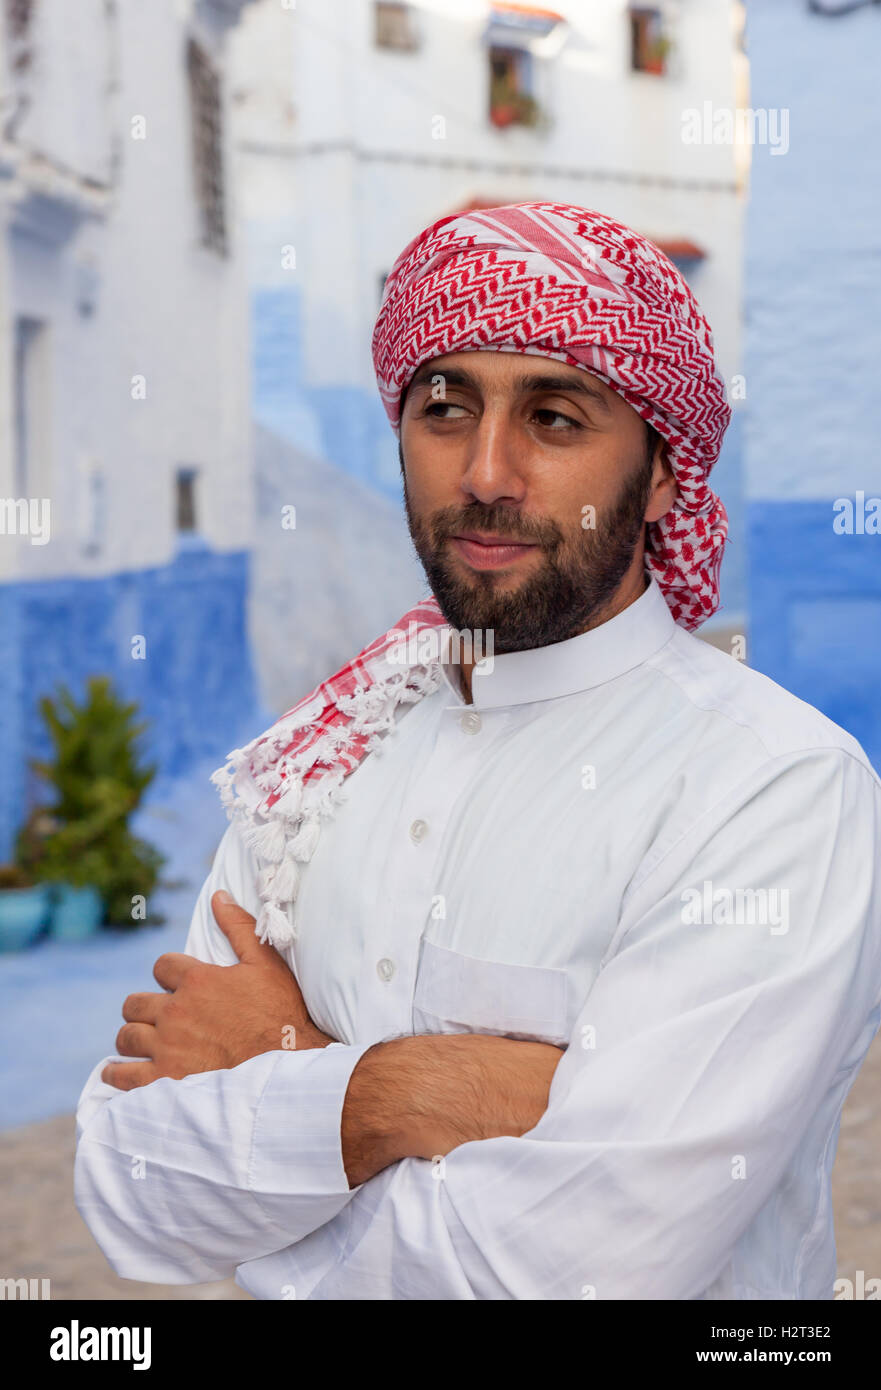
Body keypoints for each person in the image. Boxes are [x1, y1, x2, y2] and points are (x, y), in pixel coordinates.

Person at [75, 202, 881, 1300]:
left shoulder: (773, 789)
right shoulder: (319, 762)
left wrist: (301, 1075)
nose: (486, 472)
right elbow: (133, 1194)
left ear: (657, 474)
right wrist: (448, 1093)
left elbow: (573, 1273)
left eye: (554, 417)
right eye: (444, 406)